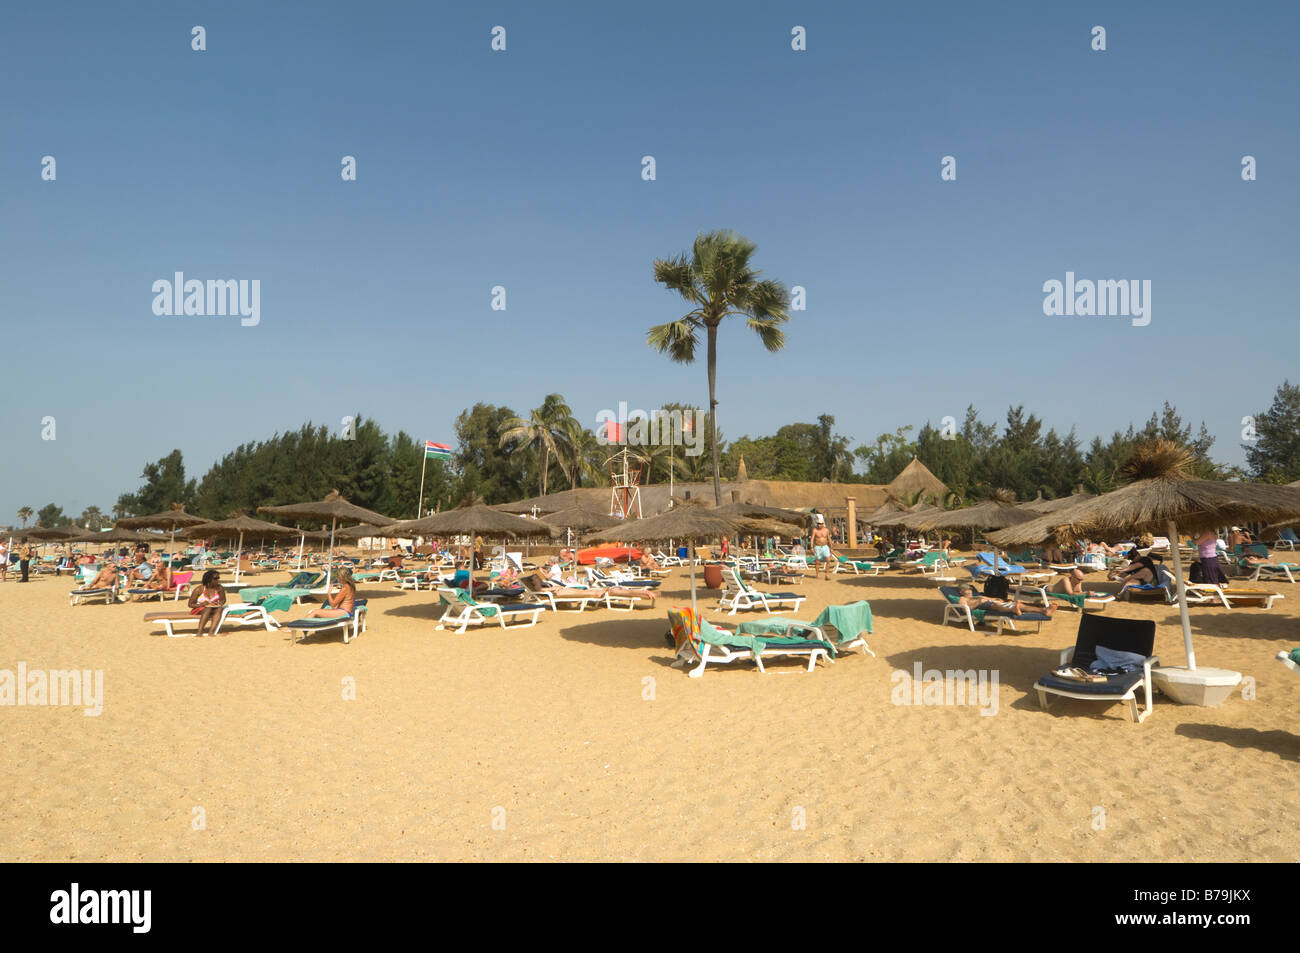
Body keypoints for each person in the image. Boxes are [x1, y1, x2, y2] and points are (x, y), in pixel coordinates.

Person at [957, 583, 1052, 618]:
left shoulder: (976, 596)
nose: (969, 590)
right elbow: (965, 610)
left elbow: (986, 599)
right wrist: (979, 602)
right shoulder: (962, 599)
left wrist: (995, 599)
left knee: (1020, 605)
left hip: (990, 602)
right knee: (997, 606)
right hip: (985, 606)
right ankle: (1012, 610)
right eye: (966, 589)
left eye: (970, 589)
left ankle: (1043, 610)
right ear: (961, 592)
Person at [188, 570, 227, 636]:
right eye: (215, 578)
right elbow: (190, 604)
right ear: (208, 580)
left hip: (214, 608)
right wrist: (201, 604)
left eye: (218, 578)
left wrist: (219, 604)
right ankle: (199, 631)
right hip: (199, 609)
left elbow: (223, 600)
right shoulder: (199, 589)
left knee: (220, 609)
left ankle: (211, 631)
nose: (218, 580)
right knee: (207, 609)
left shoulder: (219, 588)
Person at [810, 515, 834, 580]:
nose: (819, 525)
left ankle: (827, 575)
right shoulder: (815, 530)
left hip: (825, 547)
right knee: (817, 562)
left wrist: (831, 548)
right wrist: (811, 547)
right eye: (818, 524)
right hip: (817, 547)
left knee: (828, 560)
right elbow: (812, 539)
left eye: (820, 524)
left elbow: (829, 539)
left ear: (823, 524)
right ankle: (817, 574)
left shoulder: (826, 530)